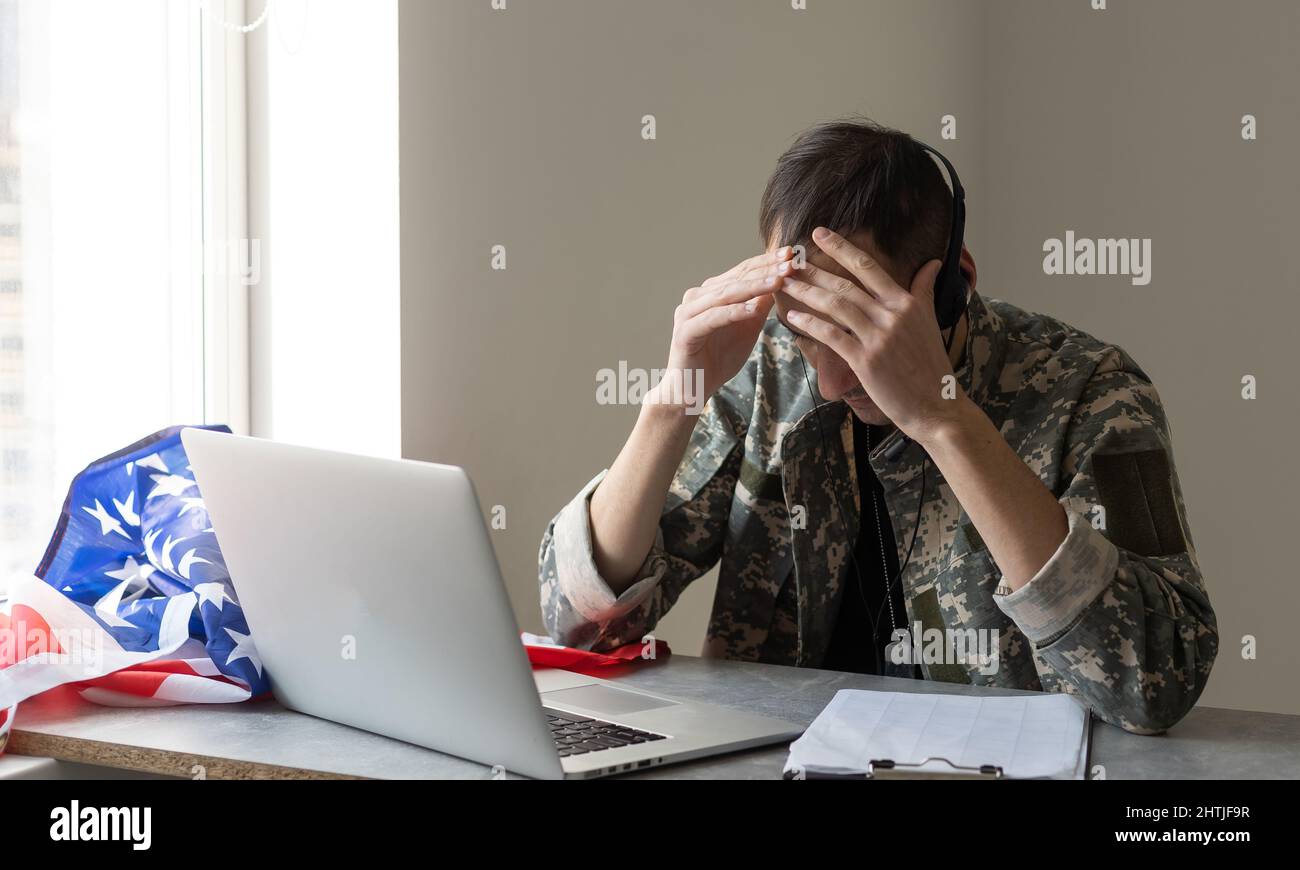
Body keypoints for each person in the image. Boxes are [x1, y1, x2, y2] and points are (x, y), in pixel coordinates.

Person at [537, 118, 1216, 734]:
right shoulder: (769, 375)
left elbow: (1153, 682)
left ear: (955, 285)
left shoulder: (1092, 391)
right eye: (806, 332)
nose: (830, 381)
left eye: (857, 327)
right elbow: (581, 630)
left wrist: (944, 420)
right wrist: (672, 400)